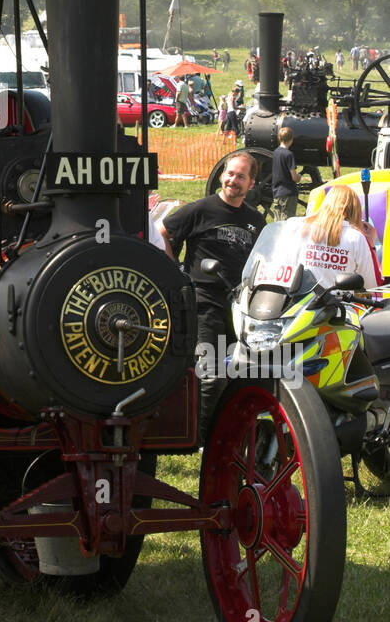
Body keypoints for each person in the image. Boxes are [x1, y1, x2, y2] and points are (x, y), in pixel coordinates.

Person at [160, 151, 264, 433]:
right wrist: (175, 272)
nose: (234, 180)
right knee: (211, 373)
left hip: (241, 307)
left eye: (241, 176)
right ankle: (201, 437)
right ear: (221, 175)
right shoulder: (200, 210)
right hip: (204, 303)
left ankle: (227, 433)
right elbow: (163, 232)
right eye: (230, 174)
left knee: (240, 375)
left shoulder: (255, 221)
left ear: (251, 183)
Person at [275, 183, 381, 289]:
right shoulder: (355, 238)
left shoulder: (301, 229)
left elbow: (283, 266)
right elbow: (371, 284)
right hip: (338, 303)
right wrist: (371, 244)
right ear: (355, 211)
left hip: (300, 301)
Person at [271, 126, 300, 221]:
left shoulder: (275, 152)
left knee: (277, 220)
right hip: (288, 193)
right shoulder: (289, 154)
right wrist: (299, 176)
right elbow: (294, 177)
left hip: (277, 192)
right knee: (288, 221)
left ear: (279, 138)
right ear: (291, 139)